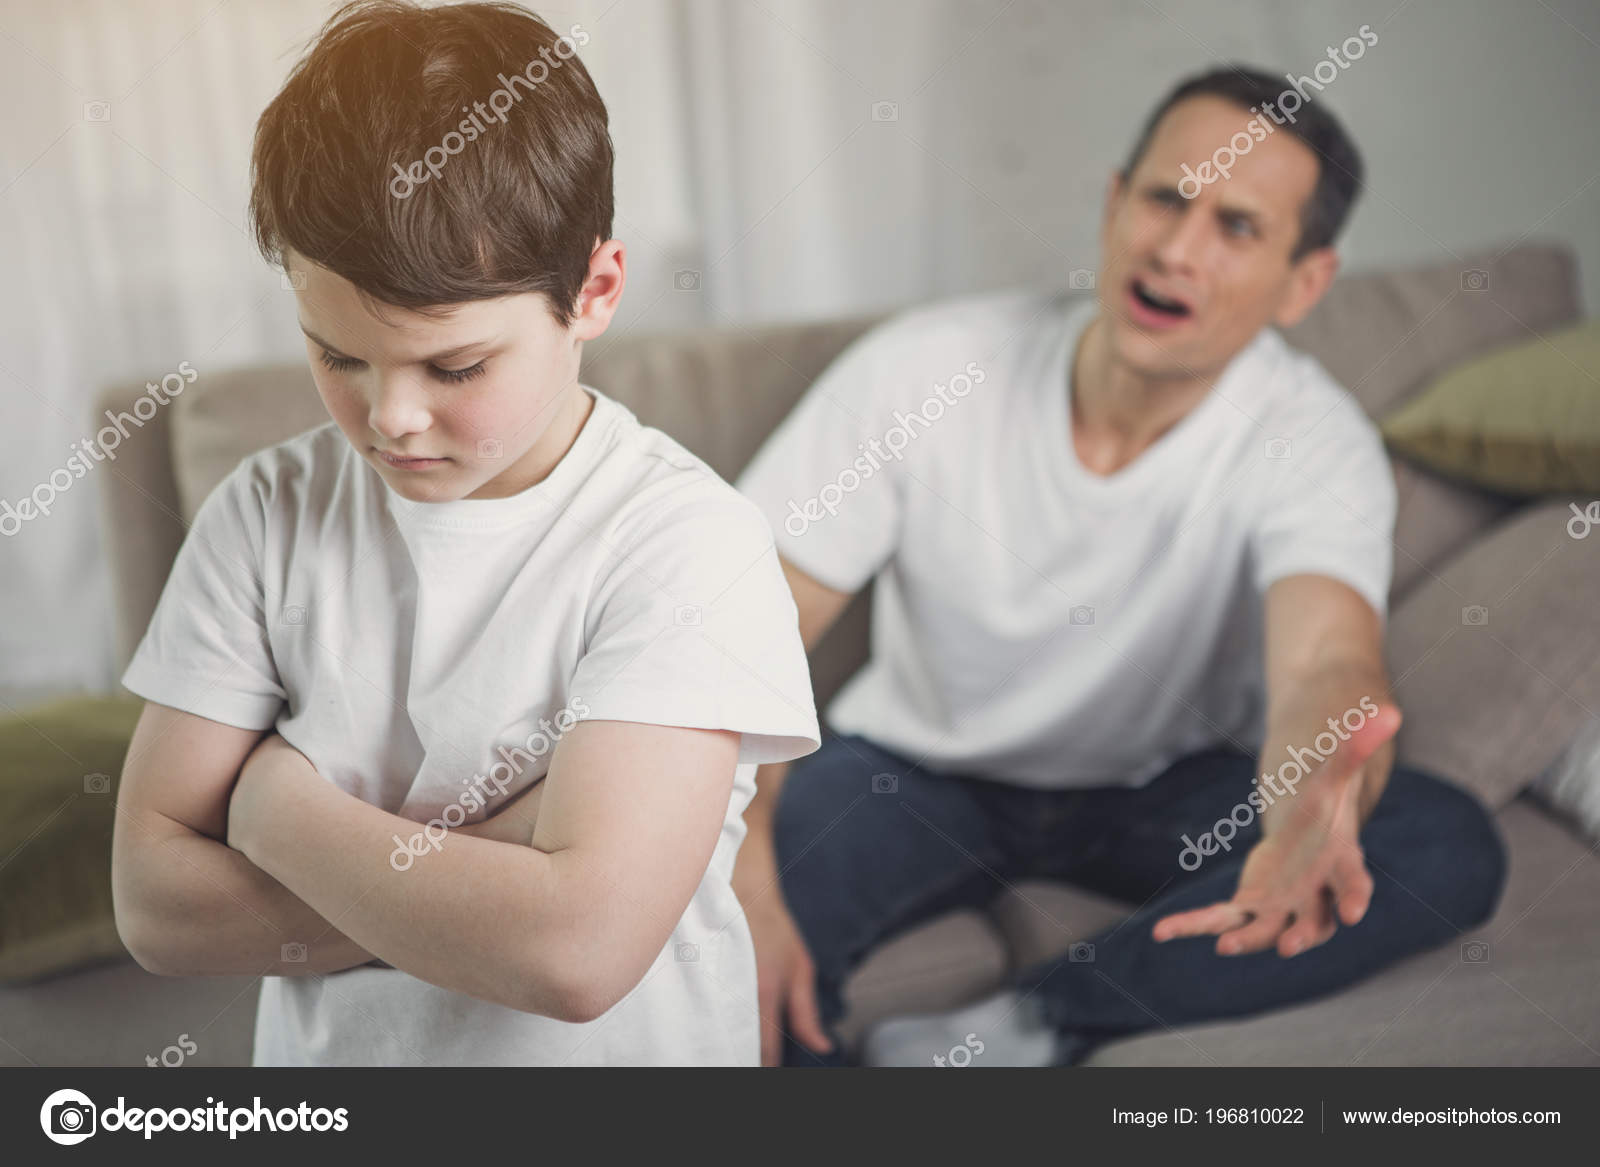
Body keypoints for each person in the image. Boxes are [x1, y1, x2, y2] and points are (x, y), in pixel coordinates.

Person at [733, 67, 1506, 1067]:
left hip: (1166, 791)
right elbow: (740, 634)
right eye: (1165, 199)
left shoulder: (1314, 441)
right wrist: (740, 855)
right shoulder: (922, 370)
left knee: (1441, 843)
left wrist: (1318, 797)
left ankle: (1026, 1028)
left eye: (1236, 226)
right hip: (914, 771)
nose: (1177, 250)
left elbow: (1327, 660)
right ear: (1112, 205)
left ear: (1304, 282)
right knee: (701, 938)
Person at [110, 0, 818, 1067]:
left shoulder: (686, 543)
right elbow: (155, 909)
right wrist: (498, 869)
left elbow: (574, 955)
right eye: (338, 356)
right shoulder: (264, 513)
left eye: (455, 367)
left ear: (595, 291)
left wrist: (271, 808)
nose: (390, 417)